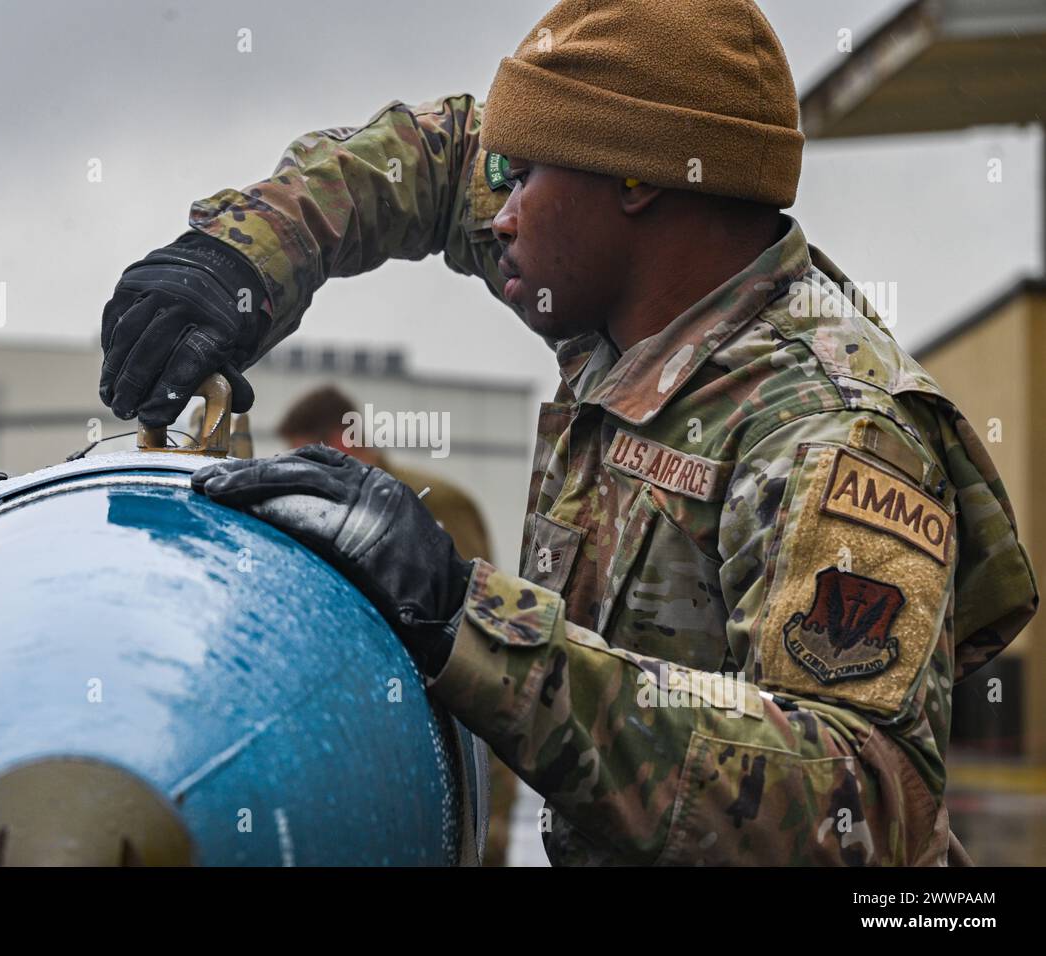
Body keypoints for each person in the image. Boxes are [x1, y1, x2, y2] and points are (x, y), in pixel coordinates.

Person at [97, 0, 1038, 865]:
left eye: (522, 176)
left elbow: (864, 807)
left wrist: (463, 618)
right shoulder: (621, 283)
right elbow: (433, 160)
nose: (495, 211)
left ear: (636, 182)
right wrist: (242, 256)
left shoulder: (832, 434)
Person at [277, 385, 518, 865]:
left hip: (454, 737)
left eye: (307, 453)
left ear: (342, 443)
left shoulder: (435, 502)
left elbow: (482, 631)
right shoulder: (330, 506)